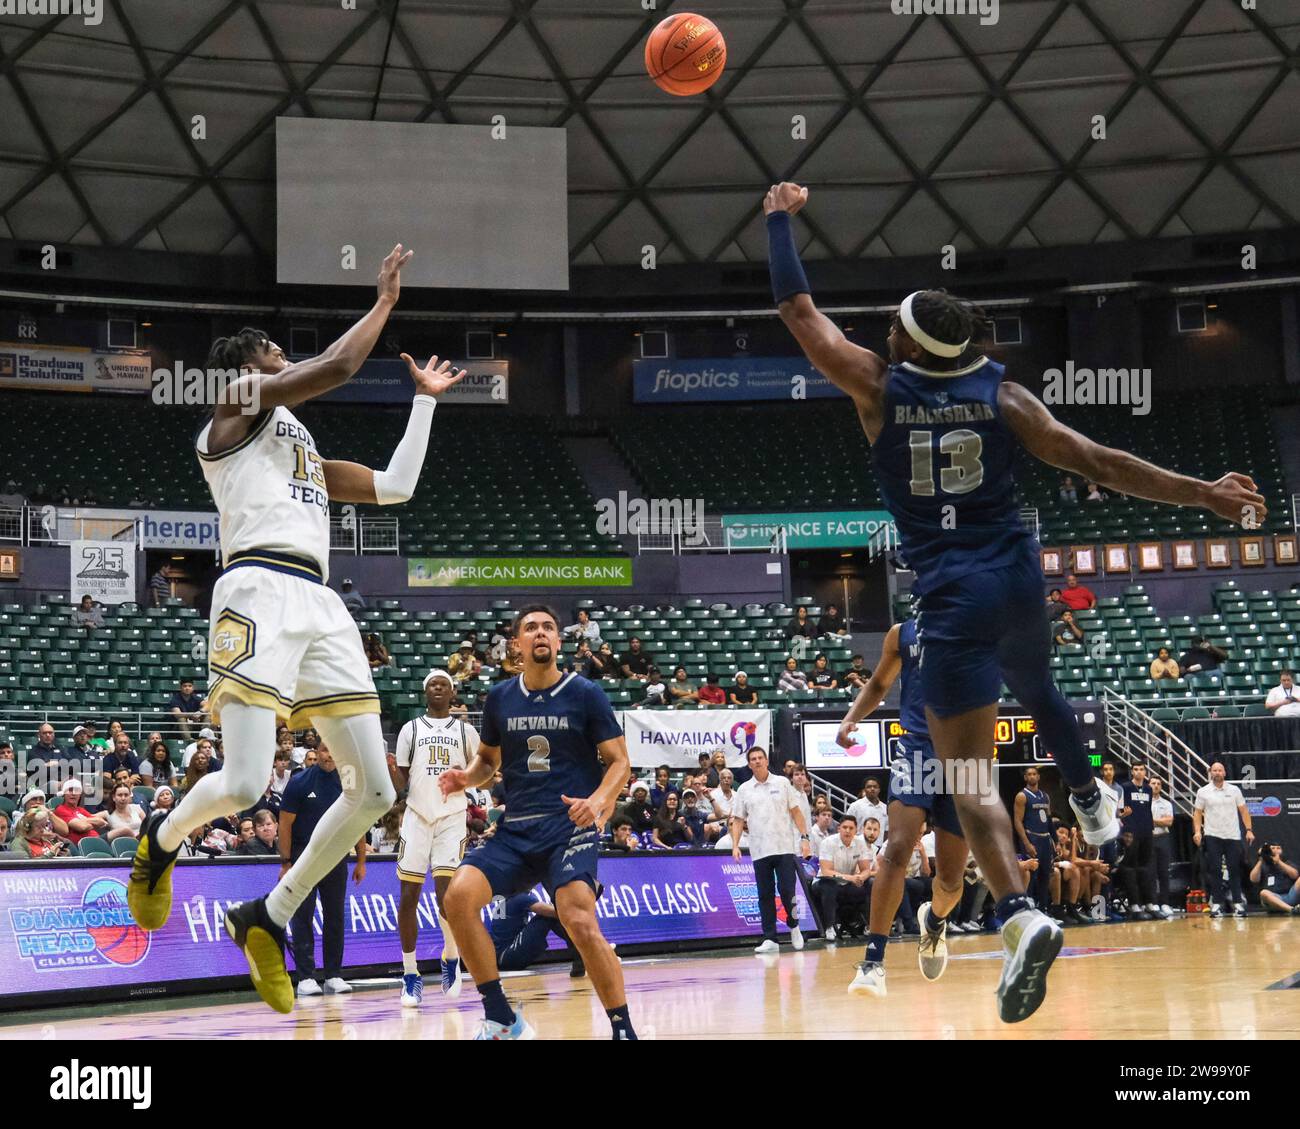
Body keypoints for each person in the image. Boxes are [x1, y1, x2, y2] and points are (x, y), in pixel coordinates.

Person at [768, 178, 1265, 1019]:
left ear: (910, 344)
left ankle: (1018, 912)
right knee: (1040, 690)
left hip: (951, 599)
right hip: (1019, 583)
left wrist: (778, 221)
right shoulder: (1006, 396)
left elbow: (800, 314)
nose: (883, 332)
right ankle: (1090, 796)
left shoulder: (879, 388)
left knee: (968, 779)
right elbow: (1102, 462)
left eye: (892, 325)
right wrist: (1206, 494)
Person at [126, 247, 460, 1017]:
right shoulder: (240, 403)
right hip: (257, 586)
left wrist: (426, 401)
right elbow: (338, 366)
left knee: (376, 789)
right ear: (250, 364)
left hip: (319, 602)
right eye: (276, 350)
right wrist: (383, 303)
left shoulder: (302, 447)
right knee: (244, 783)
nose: (286, 357)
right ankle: (163, 835)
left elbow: (398, 486)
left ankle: (267, 917)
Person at [439, 605, 636, 1040]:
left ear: (559, 642)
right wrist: (465, 778)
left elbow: (620, 762)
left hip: (569, 826)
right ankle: (501, 1018)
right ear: (517, 645)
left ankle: (623, 1028)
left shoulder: (586, 693)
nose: (541, 632)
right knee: (457, 897)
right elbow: (489, 761)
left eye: (549, 627)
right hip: (516, 829)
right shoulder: (499, 698)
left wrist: (599, 801)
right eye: (531, 628)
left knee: (579, 920)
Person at [835, 619, 967, 994]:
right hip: (917, 749)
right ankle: (873, 961)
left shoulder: (978, 620)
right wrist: (850, 718)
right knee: (896, 847)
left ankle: (935, 921)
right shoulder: (902, 633)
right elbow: (878, 683)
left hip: (965, 757)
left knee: (952, 879)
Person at [391, 669, 481, 1007]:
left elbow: (481, 771)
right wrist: (391, 775)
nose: (438, 688)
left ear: (453, 691)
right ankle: (410, 974)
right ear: (425, 691)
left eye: (444, 684)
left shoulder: (465, 730)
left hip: (451, 817)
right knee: (408, 896)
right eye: (432, 685)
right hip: (416, 816)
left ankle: (450, 955)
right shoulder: (410, 729)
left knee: (447, 897)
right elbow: (402, 779)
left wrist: (468, 781)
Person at [279, 743, 368, 996]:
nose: (329, 755)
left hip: (335, 856)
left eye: (333, 750)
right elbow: (284, 825)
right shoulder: (299, 782)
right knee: (303, 915)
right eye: (325, 750)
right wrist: (285, 862)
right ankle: (306, 977)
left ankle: (333, 975)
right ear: (316, 753)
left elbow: (357, 823)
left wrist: (361, 860)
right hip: (302, 857)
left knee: (335, 917)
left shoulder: (348, 784)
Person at [728, 745, 811, 954]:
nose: (757, 761)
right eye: (753, 759)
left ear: (766, 761)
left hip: (783, 847)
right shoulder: (745, 790)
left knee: (787, 891)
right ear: (749, 764)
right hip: (759, 850)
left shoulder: (782, 783)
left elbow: (796, 812)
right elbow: (738, 820)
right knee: (764, 894)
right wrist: (735, 845)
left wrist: (804, 838)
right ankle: (769, 938)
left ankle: (794, 926)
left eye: (760, 758)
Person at [1193, 762, 1253, 917]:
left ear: (1225, 773)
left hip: (1232, 835)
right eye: (1214, 770)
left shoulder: (1234, 790)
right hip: (1213, 835)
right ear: (1210, 773)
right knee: (1215, 870)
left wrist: (1249, 830)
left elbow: (1244, 811)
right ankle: (1217, 904)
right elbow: (1198, 813)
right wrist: (1197, 832)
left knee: (1234, 869)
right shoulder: (1203, 792)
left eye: (1220, 770)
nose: (1217, 773)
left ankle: (1238, 903)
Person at [488, 890, 586, 977]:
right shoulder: (520, 897)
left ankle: (579, 951)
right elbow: (554, 912)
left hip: (503, 960)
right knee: (547, 916)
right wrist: (577, 911)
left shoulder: (506, 900)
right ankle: (581, 949)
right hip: (508, 957)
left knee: (549, 915)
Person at [1015, 767, 1068, 922]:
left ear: (1038, 777)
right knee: (1033, 876)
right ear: (1025, 777)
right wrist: (1026, 842)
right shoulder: (1022, 796)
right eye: (1029, 774)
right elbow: (1017, 821)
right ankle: (1029, 912)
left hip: (1045, 840)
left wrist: (1056, 842)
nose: (1032, 776)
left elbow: (1049, 821)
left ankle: (1044, 911)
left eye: (1034, 774)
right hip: (1032, 838)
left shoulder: (1045, 796)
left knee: (1046, 875)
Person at [814, 813, 872, 941]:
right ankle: (829, 927)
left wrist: (861, 877)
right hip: (823, 882)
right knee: (829, 886)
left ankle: (869, 925)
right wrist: (851, 878)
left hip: (847, 884)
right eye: (845, 827)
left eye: (851, 828)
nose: (847, 831)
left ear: (856, 830)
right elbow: (826, 871)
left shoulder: (860, 843)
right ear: (839, 828)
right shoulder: (827, 842)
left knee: (871, 883)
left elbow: (866, 869)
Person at [1117, 761, 1161, 919]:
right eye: (1136, 769)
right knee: (1130, 868)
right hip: (1131, 832)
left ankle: (1148, 903)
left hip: (1146, 831)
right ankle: (1134, 904)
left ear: (1145, 772)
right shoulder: (1126, 787)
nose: (1139, 772)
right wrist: (1125, 828)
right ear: (1132, 772)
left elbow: (1148, 809)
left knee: (1145, 868)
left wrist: (1150, 827)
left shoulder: (1149, 789)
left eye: (1141, 769)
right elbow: (1120, 810)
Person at [54, 779, 108, 846]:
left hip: (96, 841)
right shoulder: (61, 809)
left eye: (77, 791)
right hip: (81, 845)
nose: (73, 793)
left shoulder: (80, 810)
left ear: (80, 795)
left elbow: (101, 822)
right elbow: (82, 827)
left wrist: (83, 820)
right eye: (70, 790)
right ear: (64, 793)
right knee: (122, 831)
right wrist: (92, 824)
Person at [1250, 843, 1300, 914]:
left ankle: (1292, 909)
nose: (1276, 849)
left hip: (1290, 895)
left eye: (1278, 848)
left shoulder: (1287, 863)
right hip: (1273, 899)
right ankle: (1292, 910)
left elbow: (1295, 875)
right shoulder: (1263, 865)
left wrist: (1279, 862)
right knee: (1264, 893)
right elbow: (1253, 879)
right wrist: (1261, 859)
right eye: (1273, 848)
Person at [1150, 776, 1175, 916]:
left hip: (1163, 838)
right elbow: (1145, 820)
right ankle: (1153, 903)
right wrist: (1160, 821)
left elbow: (1169, 822)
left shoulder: (1167, 803)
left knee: (1164, 872)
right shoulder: (1144, 802)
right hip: (1149, 839)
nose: (1156, 786)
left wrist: (1151, 820)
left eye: (1159, 783)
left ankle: (1165, 903)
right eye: (1153, 783)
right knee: (1151, 872)